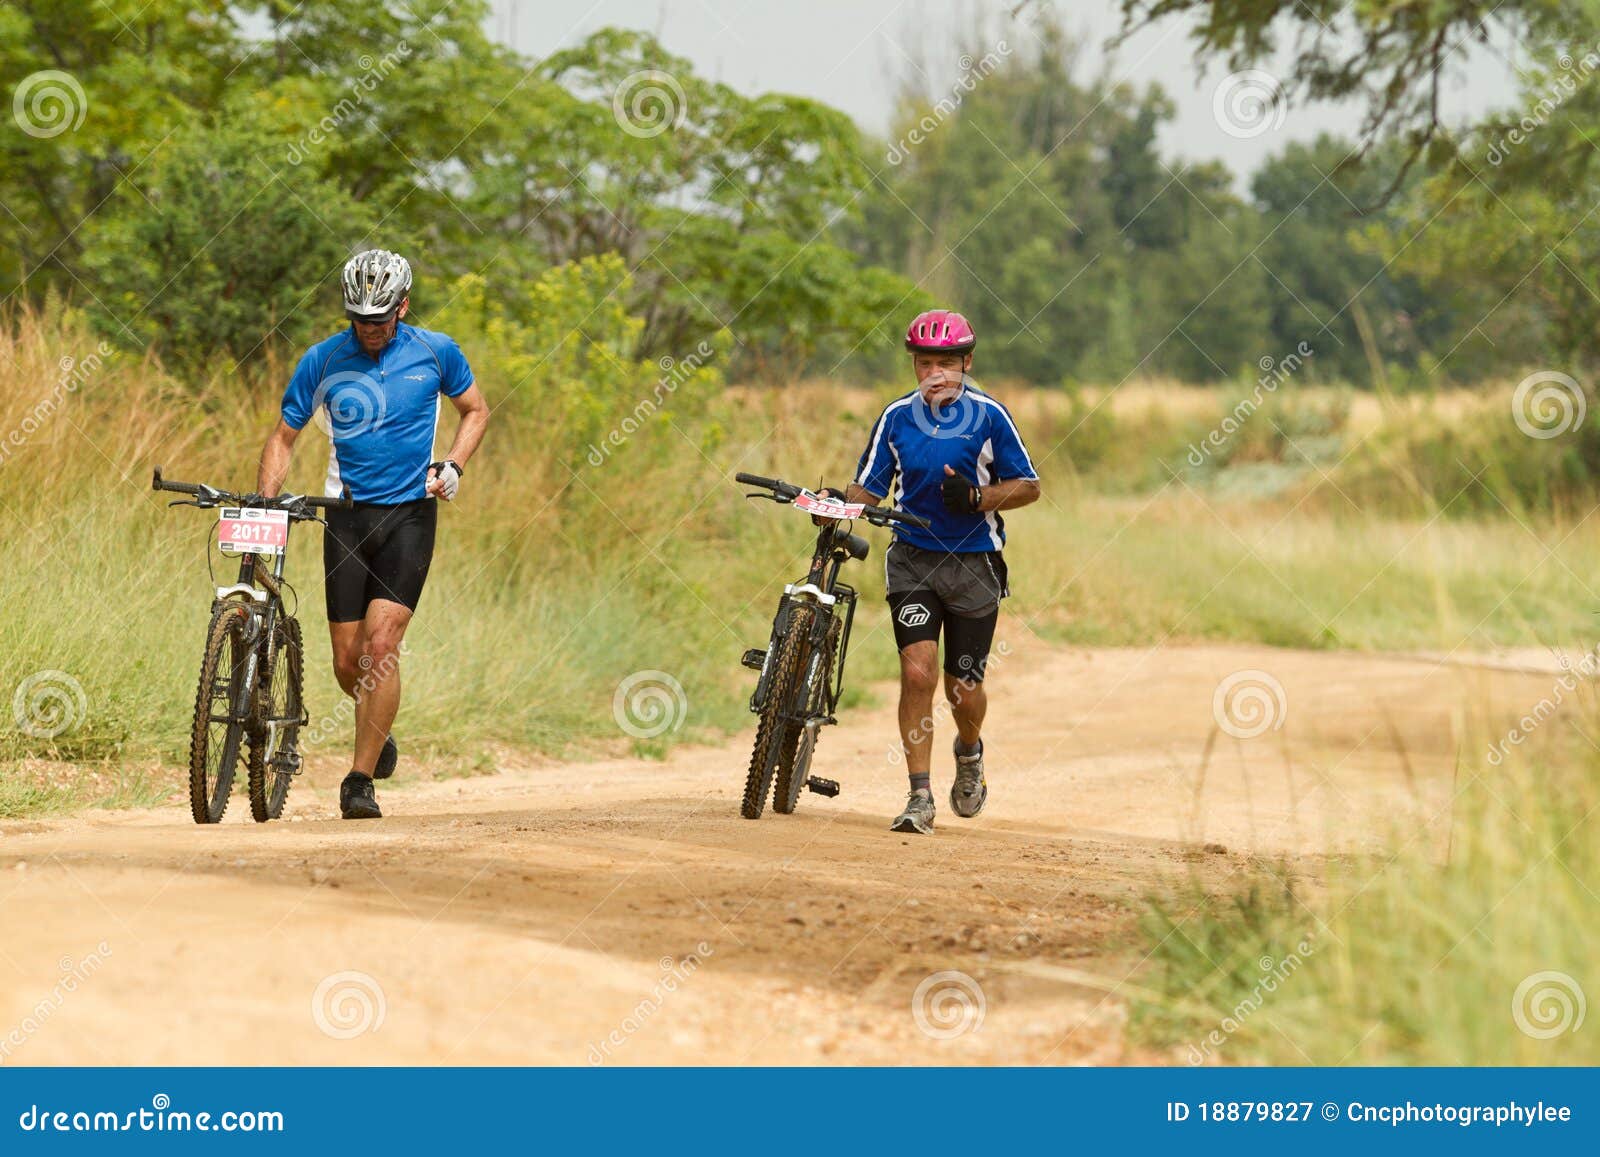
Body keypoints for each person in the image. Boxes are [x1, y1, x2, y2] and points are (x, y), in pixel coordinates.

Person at [255, 249, 489, 820]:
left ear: (403, 307)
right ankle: (377, 733)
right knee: (348, 662)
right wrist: (266, 507)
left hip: (409, 515)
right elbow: (283, 438)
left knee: (382, 647)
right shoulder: (323, 359)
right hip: (346, 517)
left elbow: (475, 410)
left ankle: (359, 781)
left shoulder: (436, 351)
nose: (371, 331)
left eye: (381, 320)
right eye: (360, 320)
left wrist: (453, 465)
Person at [839, 310, 1039, 834]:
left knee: (962, 687)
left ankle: (969, 753)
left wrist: (978, 497)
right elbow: (868, 487)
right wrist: (837, 505)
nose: (935, 374)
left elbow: (1029, 486)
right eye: (925, 363)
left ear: (967, 363)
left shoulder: (991, 416)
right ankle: (919, 796)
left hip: (974, 562)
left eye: (946, 364)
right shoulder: (896, 418)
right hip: (912, 559)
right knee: (917, 673)